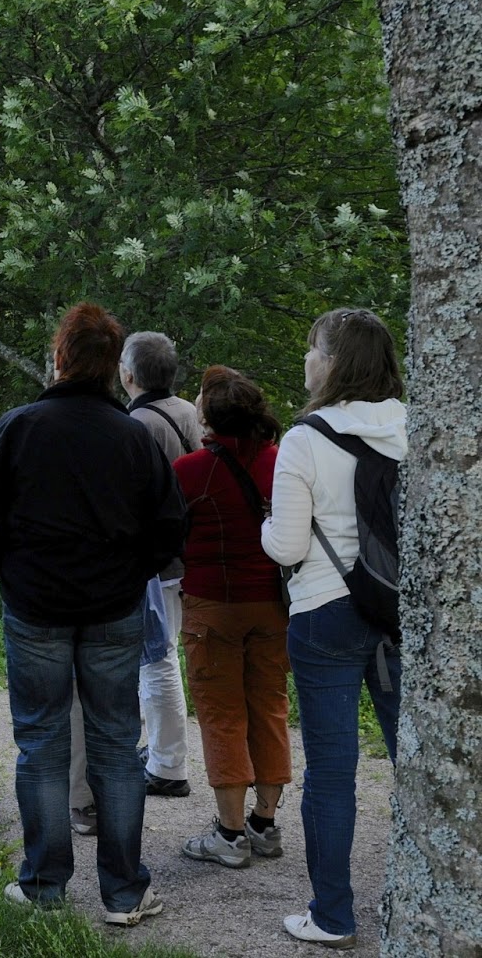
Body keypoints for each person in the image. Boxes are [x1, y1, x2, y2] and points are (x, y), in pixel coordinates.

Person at [0, 303, 184, 925]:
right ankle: (123, 892)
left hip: (37, 607)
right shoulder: (134, 438)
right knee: (116, 747)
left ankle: (44, 885)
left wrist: (10, 570)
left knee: (41, 744)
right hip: (113, 609)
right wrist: (128, 571)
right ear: (114, 367)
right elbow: (169, 527)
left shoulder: (22, 426)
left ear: (60, 357)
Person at [262, 308, 405, 949]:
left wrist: (265, 529)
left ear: (336, 362)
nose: (306, 360)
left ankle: (333, 916)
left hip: (325, 611)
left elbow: (287, 543)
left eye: (314, 349)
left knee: (331, 772)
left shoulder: (305, 438)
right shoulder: (415, 426)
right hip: (404, 614)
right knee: (418, 759)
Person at [174, 366, 291, 870]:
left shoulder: (190, 471)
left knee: (222, 714)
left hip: (212, 607)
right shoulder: (280, 462)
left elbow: (166, 536)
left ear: (210, 417)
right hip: (273, 604)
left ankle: (230, 834)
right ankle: (265, 824)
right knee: (270, 706)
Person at [120, 331, 197, 799]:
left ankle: (168, 763)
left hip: (157, 563)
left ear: (128, 375)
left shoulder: (137, 424)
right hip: (189, 558)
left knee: (157, 658)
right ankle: (159, 753)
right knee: (161, 656)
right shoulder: (190, 412)